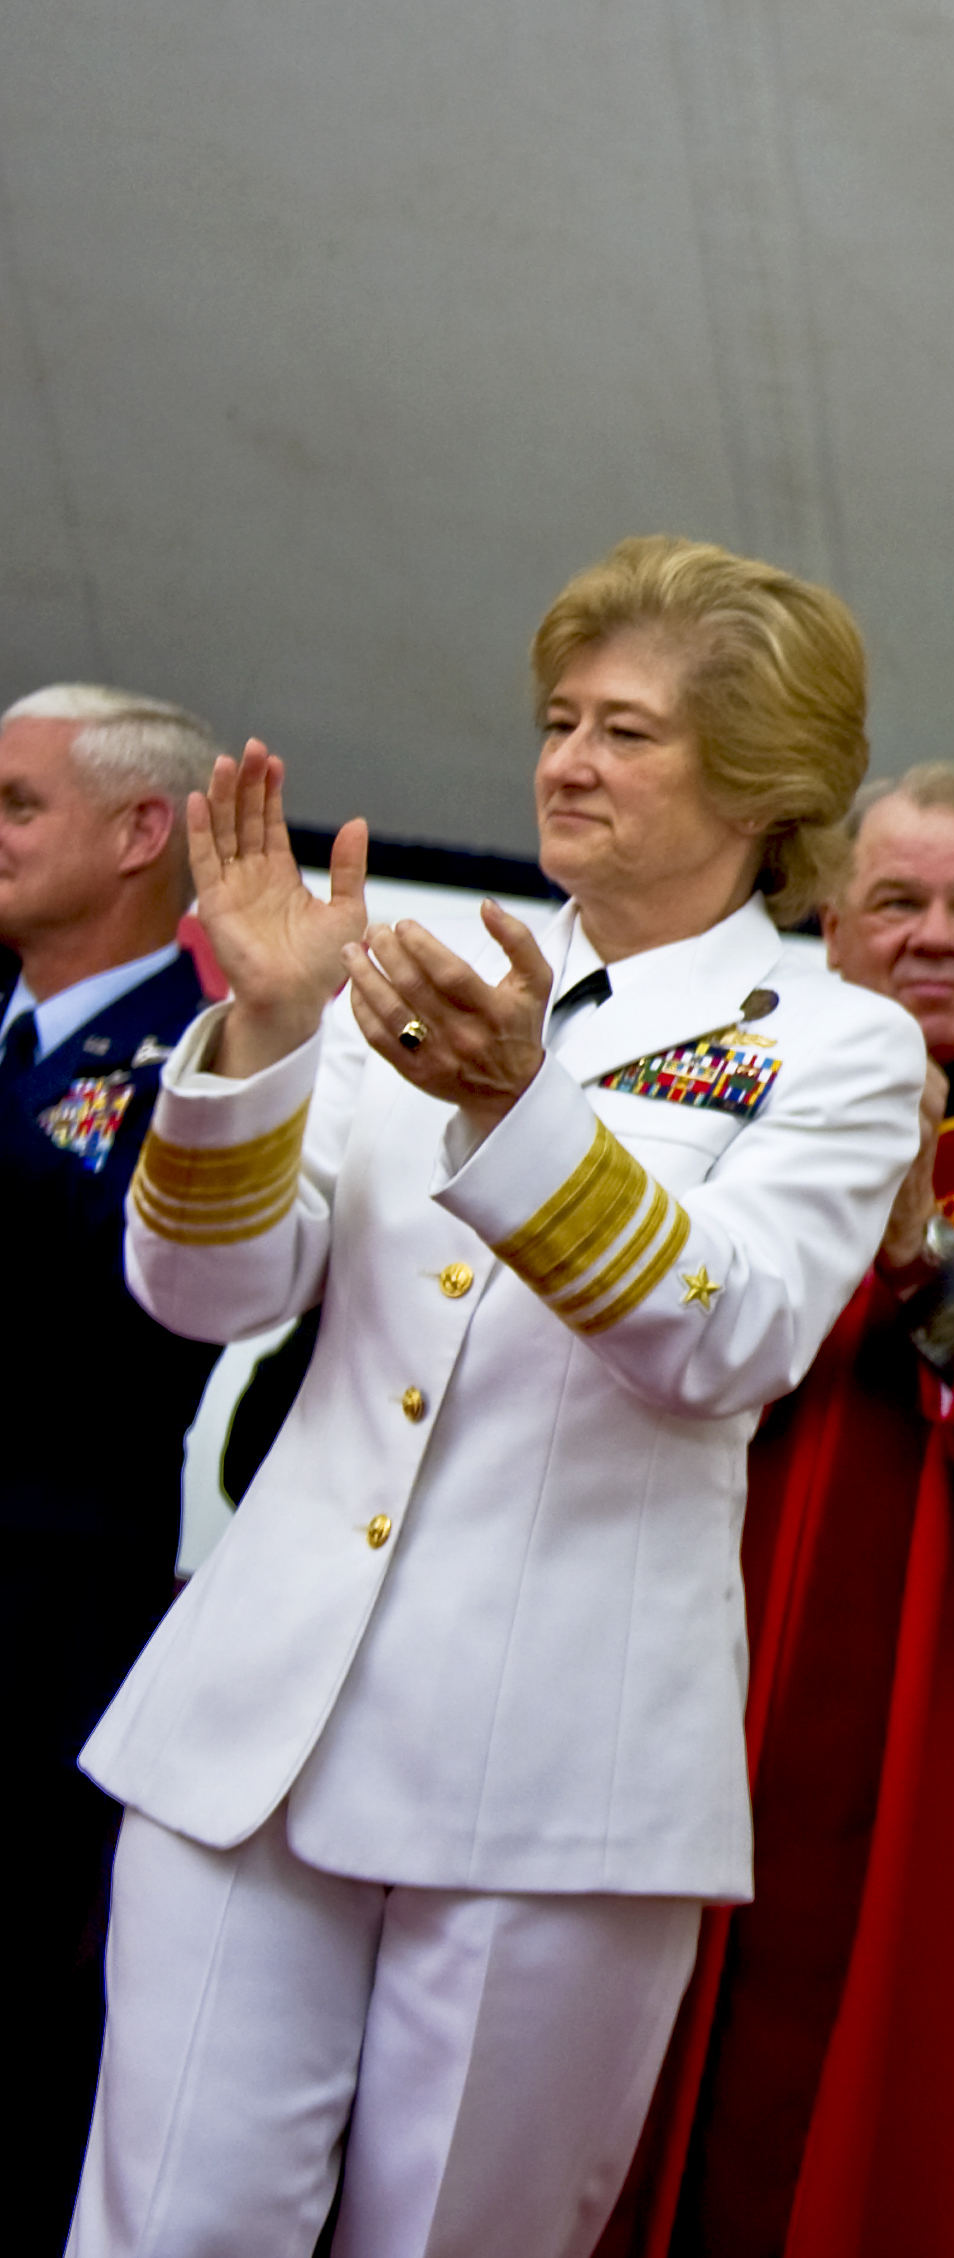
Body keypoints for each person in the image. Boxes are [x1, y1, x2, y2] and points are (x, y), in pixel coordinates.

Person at [72, 536, 925, 2258]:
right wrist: (266, 1032)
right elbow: (205, 1291)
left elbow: (728, 1339)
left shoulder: (840, 1040)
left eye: (628, 730)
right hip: (253, 1733)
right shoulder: (401, 977)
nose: (567, 761)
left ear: (761, 783)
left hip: (556, 1781)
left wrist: (519, 1104)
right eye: (557, 718)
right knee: (167, 2229)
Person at [610, 763, 954, 2258]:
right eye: (898, 901)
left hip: (945, 1721)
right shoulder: (692, 1117)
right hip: (664, 1664)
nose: (937, 934)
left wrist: (933, 1259)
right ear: (827, 921)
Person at [0, 685, 225, 2247]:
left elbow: (138, 1324)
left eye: (18, 803)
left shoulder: (203, 1059)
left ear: (144, 831)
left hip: (38, 1630)